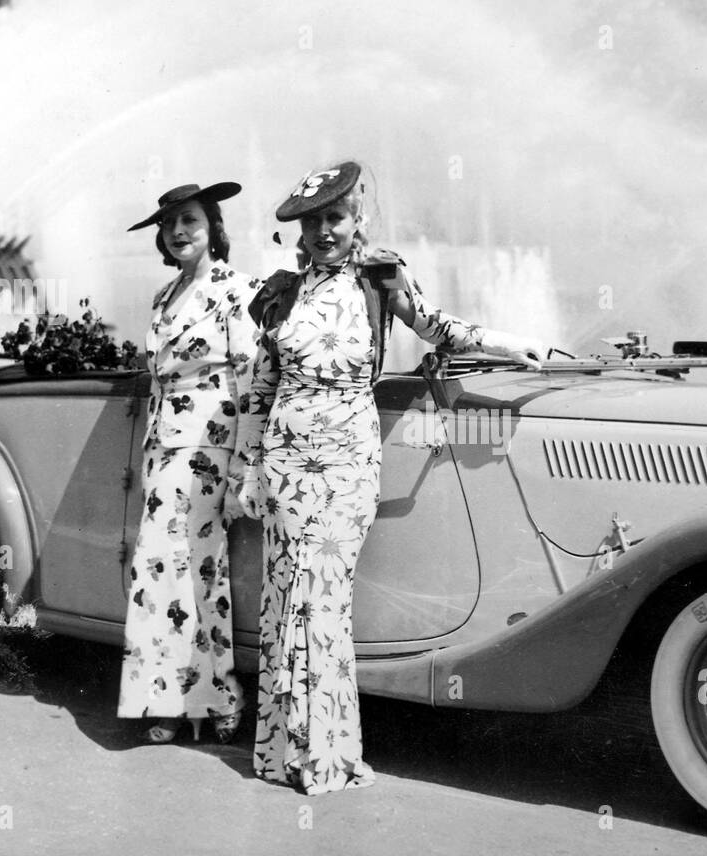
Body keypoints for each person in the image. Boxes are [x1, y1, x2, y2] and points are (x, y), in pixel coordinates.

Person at [234, 161, 546, 793]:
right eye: (315, 221)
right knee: (287, 596)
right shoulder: (281, 293)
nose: (325, 231)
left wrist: (511, 346)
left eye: (336, 218)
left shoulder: (381, 279)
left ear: (358, 220)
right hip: (286, 458)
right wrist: (247, 465)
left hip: (349, 456)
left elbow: (439, 328)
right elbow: (259, 389)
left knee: (324, 596)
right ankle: (286, 751)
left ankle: (325, 756)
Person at [117, 181, 260, 743]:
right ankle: (185, 700)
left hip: (208, 449)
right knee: (169, 572)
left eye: (191, 220)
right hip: (162, 451)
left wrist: (242, 467)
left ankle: (206, 698)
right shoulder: (163, 297)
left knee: (189, 570)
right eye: (171, 222)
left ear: (213, 228)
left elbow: (249, 377)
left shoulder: (235, 290)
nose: (180, 231)